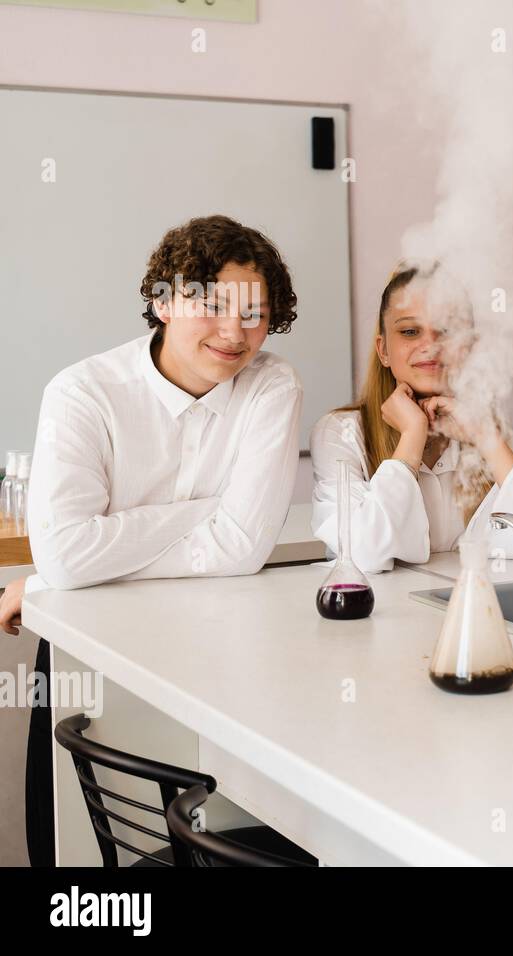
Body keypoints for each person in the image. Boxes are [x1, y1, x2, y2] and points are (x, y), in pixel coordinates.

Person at [0, 214, 303, 865]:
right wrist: (205, 511)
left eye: (255, 314)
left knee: (215, 825)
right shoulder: (83, 394)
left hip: (220, 649)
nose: (235, 331)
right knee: (76, 843)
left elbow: (244, 548)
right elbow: (70, 553)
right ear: (163, 301)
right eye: (213, 304)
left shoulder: (272, 386)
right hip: (94, 652)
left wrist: (55, 577)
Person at [310, 261, 513, 570]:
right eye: (410, 331)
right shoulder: (342, 433)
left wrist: (486, 439)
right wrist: (411, 436)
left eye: (447, 331)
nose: (430, 346)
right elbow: (365, 553)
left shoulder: (488, 433)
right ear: (383, 350)